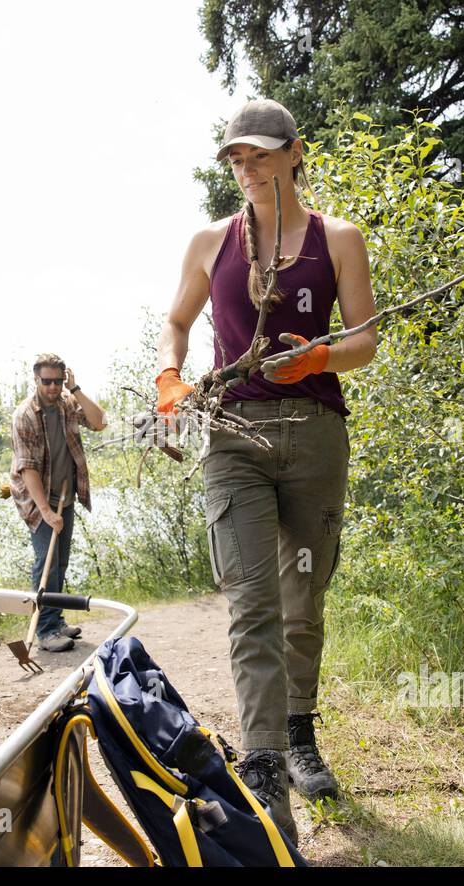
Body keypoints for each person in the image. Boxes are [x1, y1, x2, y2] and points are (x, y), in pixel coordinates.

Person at [154, 99, 379, 843]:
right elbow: (178, 322)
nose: (245, 169)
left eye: (257, 155)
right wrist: (169, 375)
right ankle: (264, 766)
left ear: (293, 153)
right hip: (235, 438)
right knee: (251, 603)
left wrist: (318, 354)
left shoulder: (337, 239)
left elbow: (365, 341)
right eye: (235, 159)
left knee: (301, 601)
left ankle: (301, 731)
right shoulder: (209, 242)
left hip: (314, 436)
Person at [9, 353, 107, 652]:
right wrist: (46, 511)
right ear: (36, 380)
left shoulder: (67, 403)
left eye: (58, 381)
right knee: (46, 563)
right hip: (36, 498)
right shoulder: (24, 415)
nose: (53, 387)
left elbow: (100, 421)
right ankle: (47, 630)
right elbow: (28, 469)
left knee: (61, 562)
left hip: (65, 494)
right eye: (47, 381)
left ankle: (56, 618)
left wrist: (76, 390)